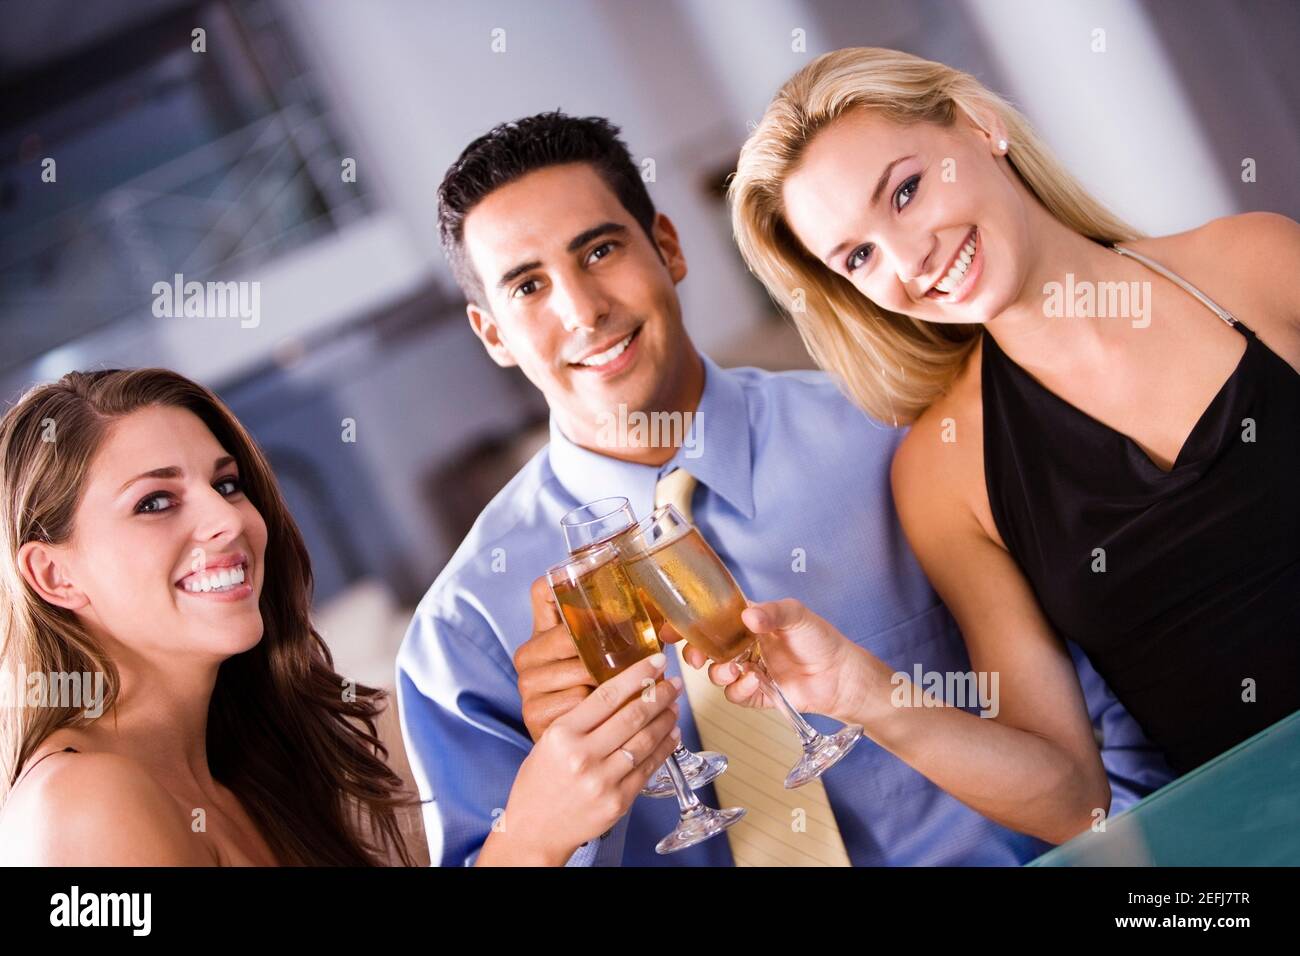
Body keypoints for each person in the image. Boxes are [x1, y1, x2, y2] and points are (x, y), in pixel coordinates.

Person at [396, 110, 1173, 867]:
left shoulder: (898, 432)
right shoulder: (465, 632)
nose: (583, 310)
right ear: (492, 333)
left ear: (668, 246)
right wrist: (564, 797)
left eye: (600, 250)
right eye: (528, 287)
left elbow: (1115, 723)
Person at [717, 46, 1299, 784]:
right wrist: (861, 694)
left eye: (904, 193)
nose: (908, 258)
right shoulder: (945, 472)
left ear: (979, 125)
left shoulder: (1256, 264)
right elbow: (1069, 793)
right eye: (859, 257)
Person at [0, 368, 677, 866]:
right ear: (53, 575)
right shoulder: (81, 805)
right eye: (155, 502)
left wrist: (537, 763)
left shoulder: (255, 759)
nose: (228, 519)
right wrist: (528, 840)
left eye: (227, 483)